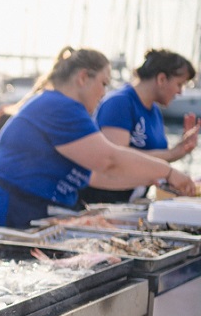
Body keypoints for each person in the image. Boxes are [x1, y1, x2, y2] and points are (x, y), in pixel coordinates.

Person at [0, 46, 197, 232]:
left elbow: (97, 176)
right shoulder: (59, 106)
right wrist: (168, 172)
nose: (104, 93)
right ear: (83, 78)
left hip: (16, 217)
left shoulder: (72, 111)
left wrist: (156, 179)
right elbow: (109, 159)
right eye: (103, 83)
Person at [79, 49, 199, 204]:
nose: (180, 92)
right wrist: (171, 157)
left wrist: (180, 150)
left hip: (132, 201)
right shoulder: (119, 103)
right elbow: (117, 158)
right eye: (179, 84)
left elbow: (151, 162)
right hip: (101, 201)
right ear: (161, 79)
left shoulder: (154, 110)